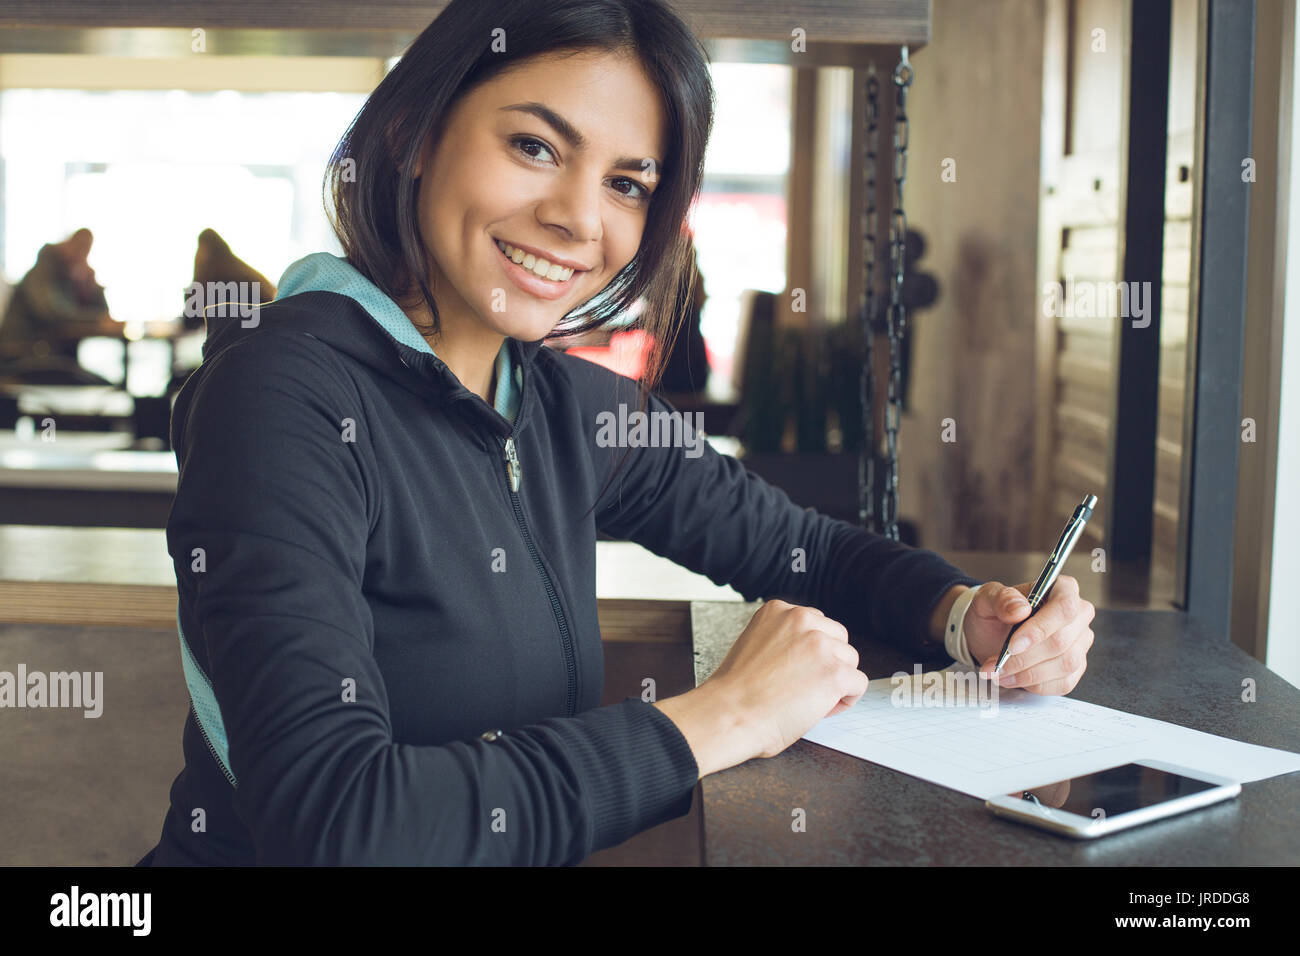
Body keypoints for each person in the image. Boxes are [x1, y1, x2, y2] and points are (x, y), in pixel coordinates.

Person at [140, 0, 1094, 867]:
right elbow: (342, 822)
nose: (577, 219)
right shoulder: (281, 395)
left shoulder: (559, 404)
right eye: (535, 147)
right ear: (412, 134)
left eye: (629, 183)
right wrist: (721, 718)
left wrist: (962, 614)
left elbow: (801, 547)